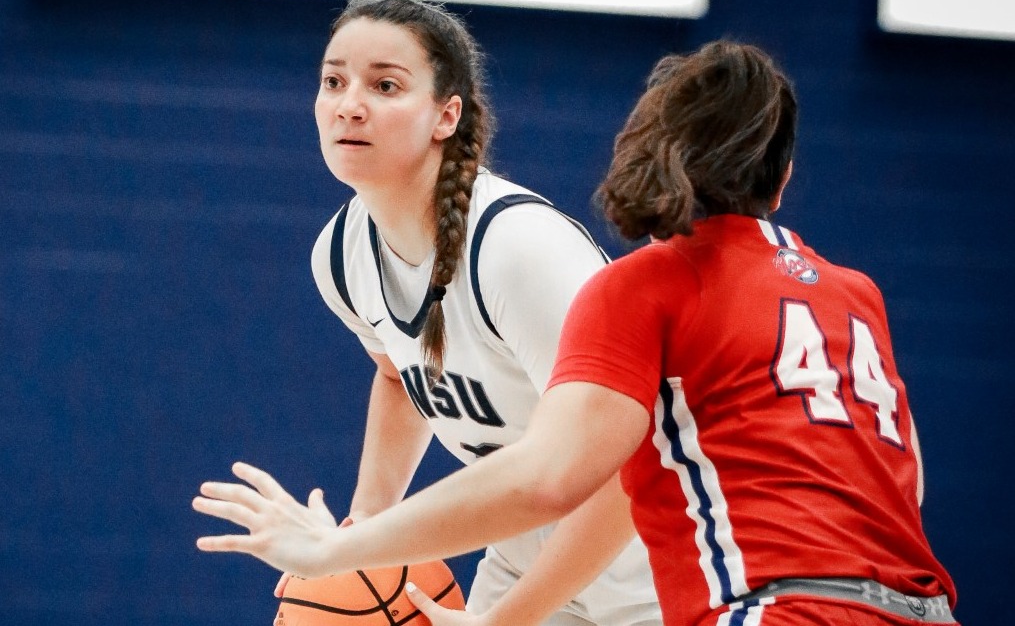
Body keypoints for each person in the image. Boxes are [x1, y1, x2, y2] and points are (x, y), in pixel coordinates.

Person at [193, 40, 960, 626]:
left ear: (649, 151)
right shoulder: (852, 293)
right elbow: (907, 481)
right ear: (784, 177)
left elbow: (547, 478)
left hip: (773, 607)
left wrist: (337, 548)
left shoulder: (640, 284)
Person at [237, 0, 662, 626]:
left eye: (385, 85)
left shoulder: (520, 250)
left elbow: (637, 458)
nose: (349, 104)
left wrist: (508, 620)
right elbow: (398, 377)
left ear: (446, 115)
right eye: (333, 81)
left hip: (657, 563)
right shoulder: (341, 253)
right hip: (526, 556)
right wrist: (362, 536)